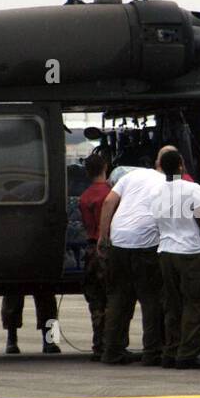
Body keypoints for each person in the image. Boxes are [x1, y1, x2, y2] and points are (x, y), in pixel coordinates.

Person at [97, 146, 171, 366]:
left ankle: (112, 351)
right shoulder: (167, 183)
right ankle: (152, 352)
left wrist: (103, 236)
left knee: (119, 298)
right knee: (151, 300)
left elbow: (109, 202)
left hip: (119, 241)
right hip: (146, 245)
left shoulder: (132, 176)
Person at [155, 149, 200, 370]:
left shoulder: (157, 190)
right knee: (195, 303)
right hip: (189, 251)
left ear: (161, 166)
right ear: (181, 165)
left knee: (172, 304)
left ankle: (171, 350)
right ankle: (187, 354)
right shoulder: (191, 188)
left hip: (165, 251)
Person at [77, 152, 111, 362]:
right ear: (105, 166)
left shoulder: (84, 197)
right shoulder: (110, 193)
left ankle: (98, 343)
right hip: (106, 249)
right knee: (113, 299)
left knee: (96, 302)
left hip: (90, 250)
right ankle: (111, 343)